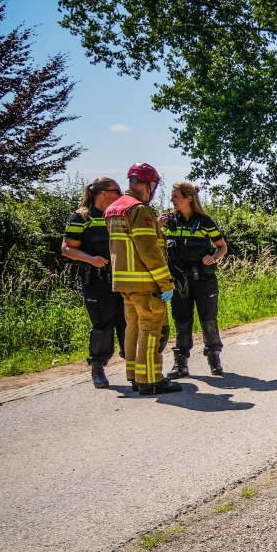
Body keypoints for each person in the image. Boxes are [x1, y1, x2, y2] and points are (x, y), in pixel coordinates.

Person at [106, 162, 180, 395]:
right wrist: (166, 282)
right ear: (148, 184)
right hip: (144, 282)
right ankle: (150, 379)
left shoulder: (114, 208)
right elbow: (149, 251)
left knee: (133, 329)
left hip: (124, 282)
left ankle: (134, 375)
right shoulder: (139, 209)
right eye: (154, 185)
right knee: (151, 330)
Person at [61, 177, 124, 388]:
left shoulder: (116, 215)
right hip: (95, 280)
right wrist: (90, 259)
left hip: (121, 278)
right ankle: (98, 368)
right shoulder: (82, 217)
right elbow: (67, 248)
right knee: (102, 324)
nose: (121, 193)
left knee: (126, 321)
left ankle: (134, 367)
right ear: (103, 193)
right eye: (117, 190)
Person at [164, 182, 227, 378]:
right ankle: (180, 364)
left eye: (175, 196)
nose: (171, 200)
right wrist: (157, 228)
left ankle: (213, 358)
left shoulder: (205, 221)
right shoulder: (168, 221)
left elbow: (222, 247)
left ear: (188, 198)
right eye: (172, 196)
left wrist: (214, 257)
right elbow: (154, 245)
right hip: (179, 280)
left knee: (208, 319)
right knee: (182, 321)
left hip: (203, 278)